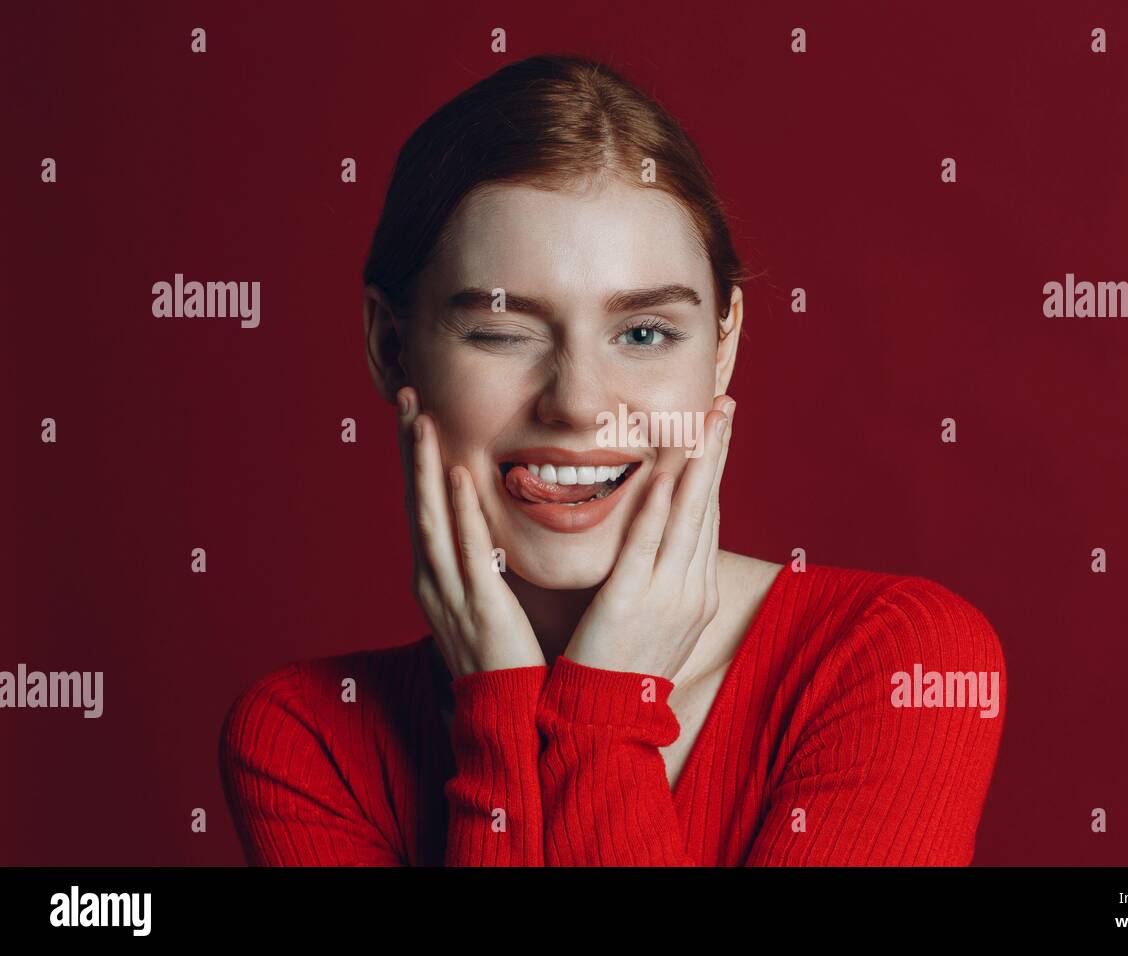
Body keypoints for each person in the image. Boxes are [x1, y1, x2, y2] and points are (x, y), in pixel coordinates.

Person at [218, 53, 1006, 866]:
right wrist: (505, 719)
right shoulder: (305, 740)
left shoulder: (896, 660)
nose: (580, 404)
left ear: (724, 346)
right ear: (391, 346)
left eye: (644, 333)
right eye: (502, 331)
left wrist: (601, 718)